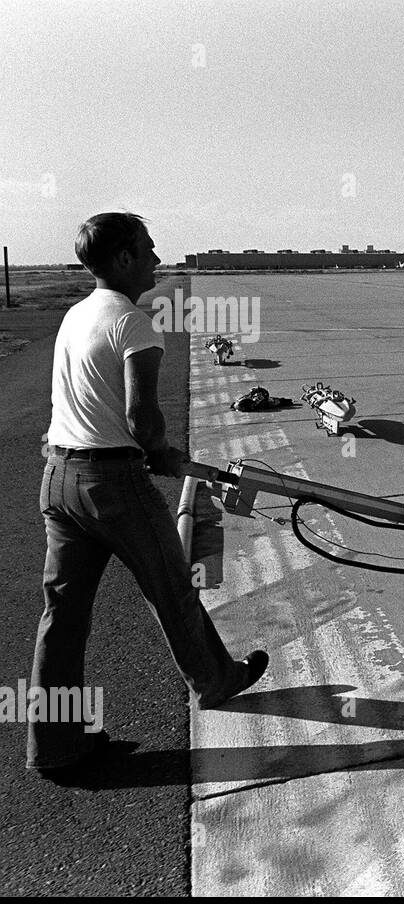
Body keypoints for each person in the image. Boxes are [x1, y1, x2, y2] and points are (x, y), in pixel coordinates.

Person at [29, 212, 268, 777]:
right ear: (123, 259)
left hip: (59, 478)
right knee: (171, 588)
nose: (158, 257)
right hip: (111, 485)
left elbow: (75, 400)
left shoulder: (75, 315)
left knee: (62, 616)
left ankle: (55, 745)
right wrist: (162, 452)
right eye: (149, 248)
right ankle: (216, 680)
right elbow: (142, 419)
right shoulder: (134, 324)